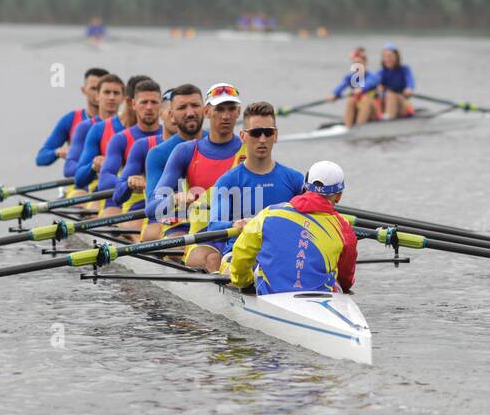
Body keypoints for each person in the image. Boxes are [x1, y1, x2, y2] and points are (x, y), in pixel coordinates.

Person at [189, 101, 305, 272]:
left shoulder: (295, 179)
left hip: (282, 254)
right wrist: (237, 225)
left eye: (268, 132)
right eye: (256, 133)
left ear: (276, 135)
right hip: (240, 255)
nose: (263, 139)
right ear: (243, 136)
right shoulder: (228, 181)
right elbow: (215, 226)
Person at [227, 161, 358, 295]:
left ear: (305, 187)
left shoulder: (268, 214)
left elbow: (242, 252)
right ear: (339, 196)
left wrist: (244, 283)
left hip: (270, 295)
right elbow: (346, 278)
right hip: (322, 299)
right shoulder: (344, 228)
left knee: (230, 258)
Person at [151, 83, 244, 246]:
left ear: (239, 112)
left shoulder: (251, 148)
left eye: (231, 109)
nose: (226, 116)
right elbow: (151, 208)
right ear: (207, 111)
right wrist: (173, 200)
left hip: (239, 230)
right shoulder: (183, 151)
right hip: (199, 232)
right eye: (220, 109)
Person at [136, 85, 204, 240]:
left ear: (205, 110)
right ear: (171, 115)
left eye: (195, 106)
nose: (190, 112)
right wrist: (174, 199)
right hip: (175, 221)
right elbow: (153, 209)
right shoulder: (158, 153)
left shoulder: (218, 146)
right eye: (182, 107)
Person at [97, 79, 163, 219]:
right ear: (133, 104)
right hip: (134, 203)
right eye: (144, 102)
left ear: (161, 105)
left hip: (167, 204)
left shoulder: (172, 139)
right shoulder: (121, 139)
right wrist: (129, 182)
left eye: (154, 102)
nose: (149, 107)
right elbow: (104, 181)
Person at [36, 66, 107, 168]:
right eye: (93, 88)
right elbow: (41, 158)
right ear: (83, 90)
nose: (97, 94)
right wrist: (57, 152)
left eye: (101, 89)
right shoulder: (71, 120)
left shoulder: (122, 121)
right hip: (81, 179)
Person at [71, 73, 125, 192]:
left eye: (116, 93)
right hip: (94, 189)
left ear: (123, 98)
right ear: (97, 96)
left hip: (126, 188)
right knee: (79, 193)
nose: (111, 97)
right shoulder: (88, 128)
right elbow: (73, 174)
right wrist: (94, 166)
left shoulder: (131, 128)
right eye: (107, 92)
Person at [328, 47, 381, 127]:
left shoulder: (373, 77)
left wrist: (361, 89)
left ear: (365, 63)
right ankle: (348, 127)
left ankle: (358, 129)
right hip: (359, 110)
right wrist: (334, 94)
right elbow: (342, 86)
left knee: (366, 99)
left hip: (374, 112)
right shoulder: (350, 78)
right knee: (351, 99)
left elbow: (369, 83)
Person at [370, 42, 416, 120]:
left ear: (396, 57)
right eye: (385, 57)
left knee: (391, 94)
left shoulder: (404, 70)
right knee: (375, 96)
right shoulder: (381, 73)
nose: (387, 59)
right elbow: (371, 82)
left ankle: (388, 118)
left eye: (390, 56)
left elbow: (410, 81)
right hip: (386, 102)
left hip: (403, 103)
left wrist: (409, 88)